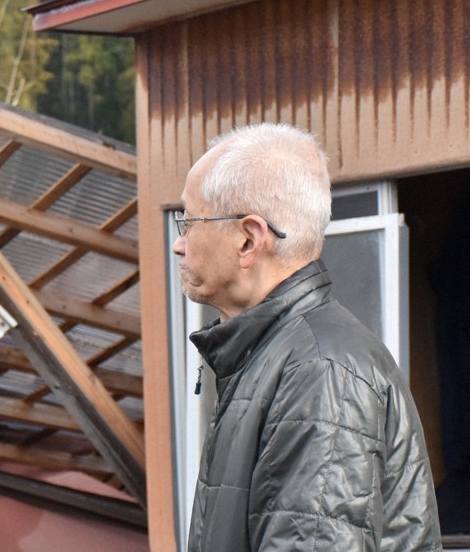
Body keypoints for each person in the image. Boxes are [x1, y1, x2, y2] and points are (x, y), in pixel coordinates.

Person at [173, 123, 441, 550]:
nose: (178, 244)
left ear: (248, 240)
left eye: (188, 221)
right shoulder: (275, 356)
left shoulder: (318, 371)